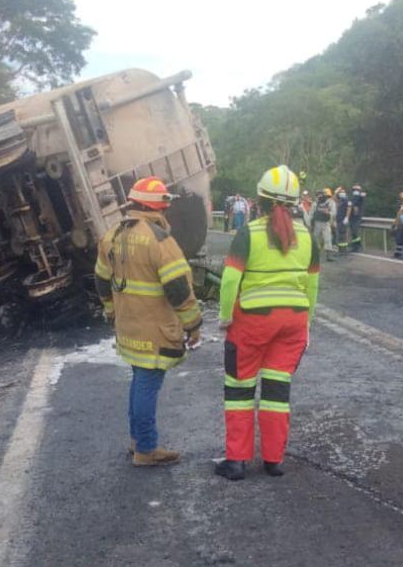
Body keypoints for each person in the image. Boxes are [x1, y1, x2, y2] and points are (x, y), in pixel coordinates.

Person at [217, 165, 321, 480]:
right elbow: (312, 286)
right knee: (277, 391)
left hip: (252, 321)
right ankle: (274, 460)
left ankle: (236, 461)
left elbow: (230, 281)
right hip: (293, 321)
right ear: (293, 202)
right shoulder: (307, 236)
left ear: (259, 200)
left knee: (239, 389)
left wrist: (225, 317)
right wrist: (307, 324)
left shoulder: (249, 233)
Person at [94, 176, 203, 467]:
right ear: (160, 208)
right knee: (147, 382)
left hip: (127, 326)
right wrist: (192, 325)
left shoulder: (112, 234)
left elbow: (101, 281)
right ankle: (146, 448)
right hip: (154, 328)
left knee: (139, 380)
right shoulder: (159, 239)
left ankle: (137, 439)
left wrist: (110, 312)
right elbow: (179, 288)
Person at [311, 188, 336, 262]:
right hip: (317, 223)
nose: (320, 197)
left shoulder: (331, 203)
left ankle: (329, 256)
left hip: (326, 223)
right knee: (315, 239)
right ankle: (314, 254)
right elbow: (311, 213)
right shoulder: (315, 203)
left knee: (327, 239)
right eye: (319, 195)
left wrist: (328, 213)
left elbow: (334, 213)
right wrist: (310, 223)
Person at [348, 184, 366, 253]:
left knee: (354, 232)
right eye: (354, 190)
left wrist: (361, 195)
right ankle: (355, 246)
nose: (355, 191)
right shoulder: (352, 197)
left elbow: (361, 198)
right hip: (352, 217)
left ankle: (358, 246)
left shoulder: (359, 197)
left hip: (357, 217)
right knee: (353, 232)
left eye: (357, 190)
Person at [334, 187, 351, 254]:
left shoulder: (347, 200)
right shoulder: (340, 200)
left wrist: (347, 217)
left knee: (343, 235)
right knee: (339, 235)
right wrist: (336, 192)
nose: (342, 193)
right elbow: (334, 199)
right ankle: (340, 250)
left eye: (343, 192)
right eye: (341, 192)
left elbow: (349, 208)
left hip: (343, 220)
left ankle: (344, 250)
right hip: (339, 219)